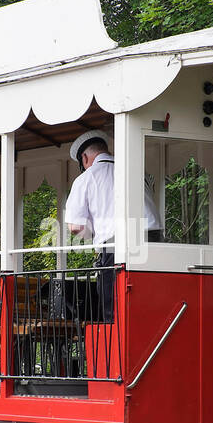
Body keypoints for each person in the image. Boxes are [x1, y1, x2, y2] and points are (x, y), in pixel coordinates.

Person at [64, 129, 162, 321]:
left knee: (113, 303)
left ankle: (119, 347)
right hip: (154, 240)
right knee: (150, 300)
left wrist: (94, 236)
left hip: (117, 244)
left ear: (84, 158)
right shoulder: (135, 169)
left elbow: (75, 227)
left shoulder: (86, 178)